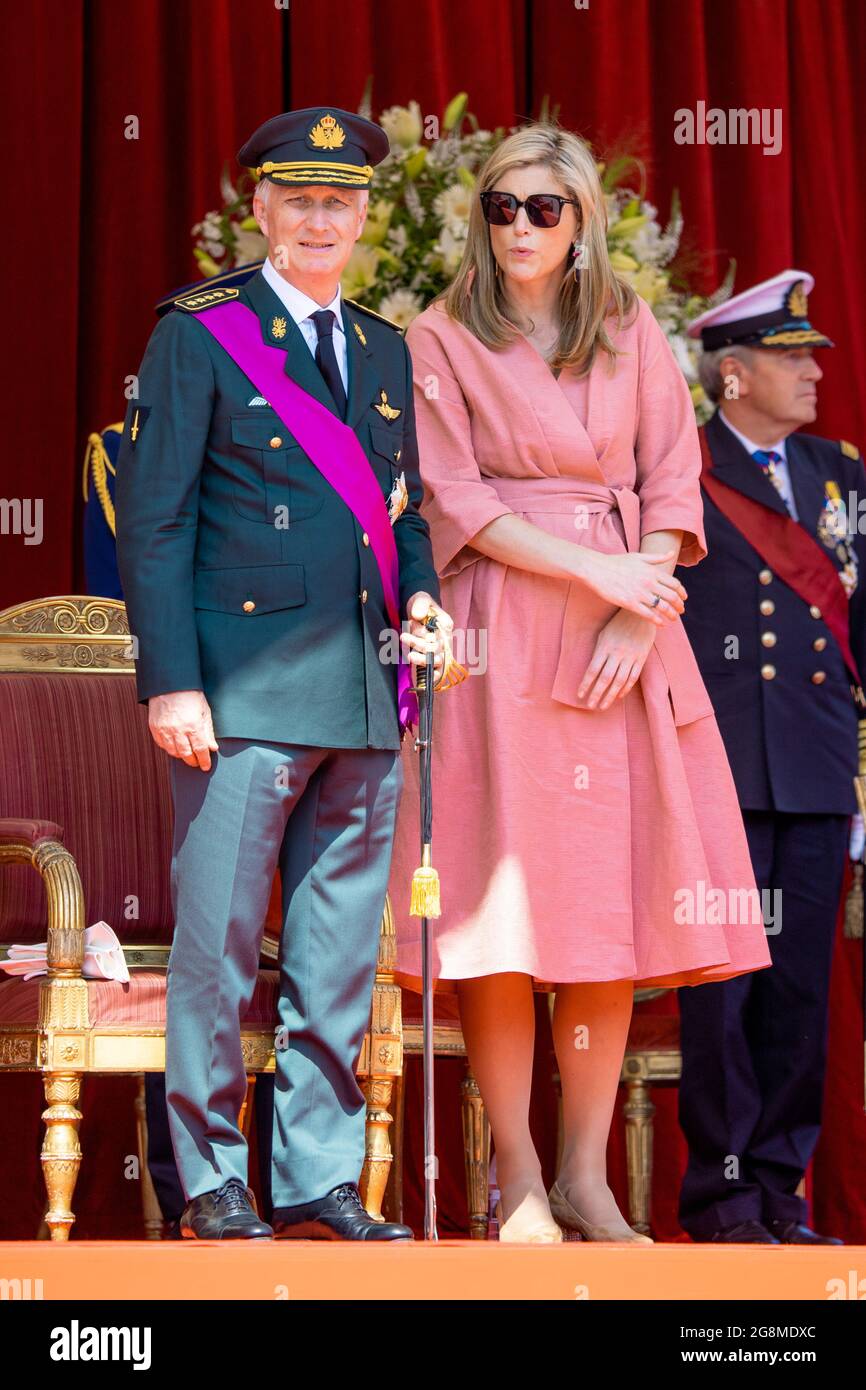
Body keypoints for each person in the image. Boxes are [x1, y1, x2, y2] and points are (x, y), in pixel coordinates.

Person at [385, 122, 772, 1244]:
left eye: (540, 209)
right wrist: (596, 570)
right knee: (504, 913)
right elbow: (449, 496)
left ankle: (584, 1177)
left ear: (580, 218)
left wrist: (637, 604)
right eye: (500, 207)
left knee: (606, 912)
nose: (517, 227)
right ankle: (512, 1180)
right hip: (499, 624)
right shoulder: (440, 334)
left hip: (626, 628)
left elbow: (671, 481)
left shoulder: (625, 325)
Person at [115, 106, 453, 1241]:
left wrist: (423, 600)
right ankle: (211, 1176)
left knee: (336, 954)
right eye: (299, 198)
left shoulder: (383, 345)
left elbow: (400, 515)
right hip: (241, 691)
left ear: (362, 216)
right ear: (259, 208)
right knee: (214, 947)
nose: (320, 218)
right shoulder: (202, 331)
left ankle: (312, 1177)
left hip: (362, 692)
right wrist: (172, 681)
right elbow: (152, 524)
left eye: (340, 201)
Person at [674, 270, 866, 1244]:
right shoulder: (682, 468)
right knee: (723, 989)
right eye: (789, 358)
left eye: (811, 356)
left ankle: (779, 1195)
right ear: (730, 375)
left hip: (817, 766)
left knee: (798, 990)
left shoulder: (838, 473)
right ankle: (720, 1196)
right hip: (720, 770)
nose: (810, 373)